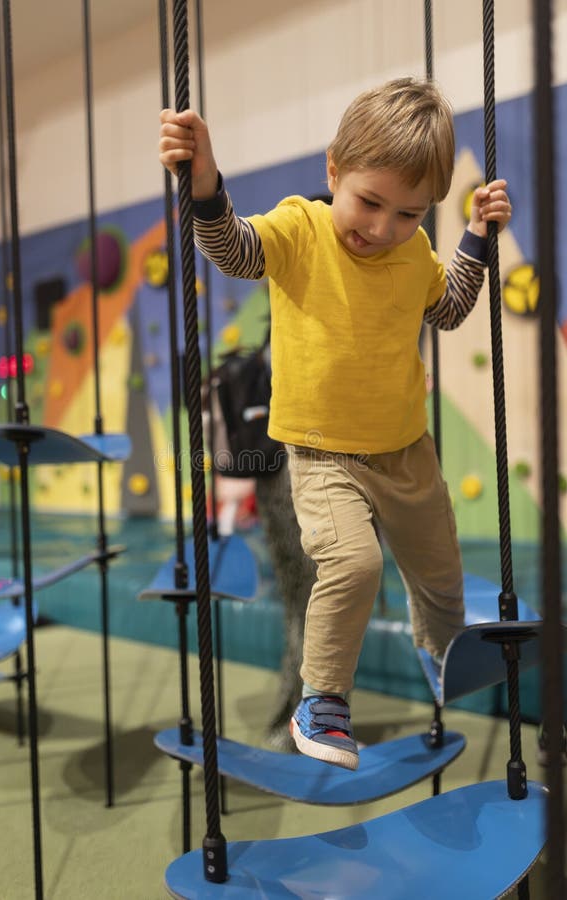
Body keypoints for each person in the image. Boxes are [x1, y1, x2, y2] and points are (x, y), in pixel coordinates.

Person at [159, 76, 512, 770]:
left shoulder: (412, 253)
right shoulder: (301, 228)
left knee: (440, 577)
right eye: (370, 202)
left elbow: (448, 306)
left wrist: (474, 234)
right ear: (333, 171)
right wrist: (204, 184)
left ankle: (439, 654)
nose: (383, 229)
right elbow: (232, 250)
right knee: (353, 563)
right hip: (324, 454)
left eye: (409, 214)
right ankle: (321, 697)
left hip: (408, 453)